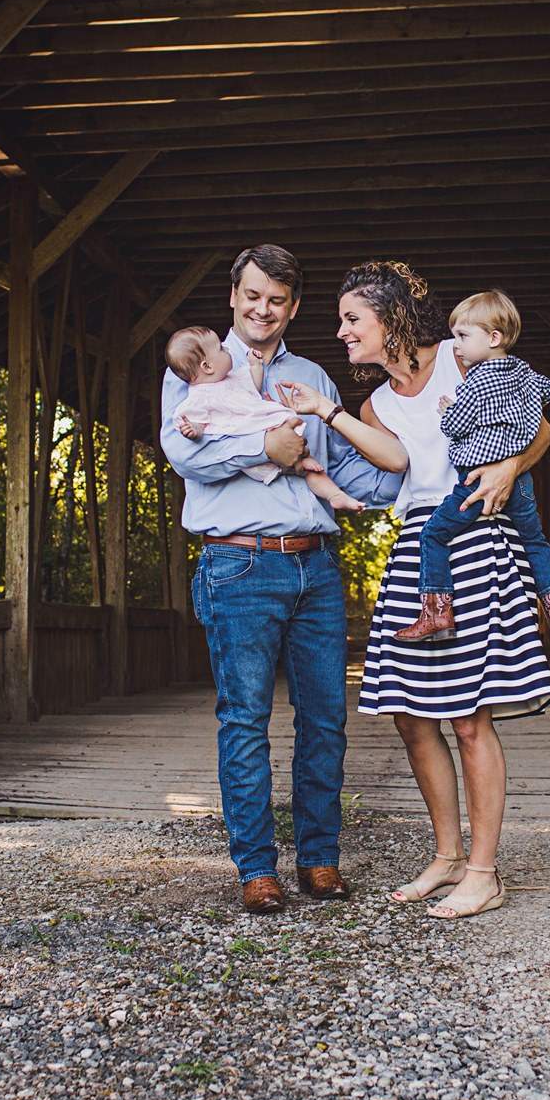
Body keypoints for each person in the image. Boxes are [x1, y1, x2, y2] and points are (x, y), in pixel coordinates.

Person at [275, 260, 550, 922]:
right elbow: (397, 462)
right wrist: (326, 413)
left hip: (476, 541)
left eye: (351, 319)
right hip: (414, 547)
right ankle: (447, 855)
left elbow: (539, 430)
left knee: (468, 716)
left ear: (392, 316)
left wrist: (508, 470)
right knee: (410, 715)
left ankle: (483, 872)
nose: (341, 332)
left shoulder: (468, 362)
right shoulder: (374, 402)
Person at [160, 245, 407, 915]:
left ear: (292, 306)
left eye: (276, 300)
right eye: (251, 296)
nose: (261, 309)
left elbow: (338, 470)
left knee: (325, 717)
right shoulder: (194, 364)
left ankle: (319, 860)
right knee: (244, 718)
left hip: (314, 563)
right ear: (233, 296)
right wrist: (259, 448)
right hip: (237, 561)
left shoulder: (313, 378)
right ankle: (256, 868)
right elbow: (184, 453)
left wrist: (415, 473)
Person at [393, 289, 550, 645]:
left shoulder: (475, 382)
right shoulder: (522, 370)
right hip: (520, 480)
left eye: (462, 336)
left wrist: (448, 409)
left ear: (493, 338)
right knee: (535, 541)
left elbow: (455, 426)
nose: (455, 345)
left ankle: (437, 612)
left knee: (432, 534)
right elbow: (548, 391)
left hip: (475, 481)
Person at [165, 324, 364, 513]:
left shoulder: (233, 378)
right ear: (207, 366)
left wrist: (254, 365)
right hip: (253, 447)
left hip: (269, 427)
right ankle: (312, 473)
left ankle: (334, 494)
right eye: (220, 349)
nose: (226, 349)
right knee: (304, 466)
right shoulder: (198, 397)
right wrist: (194, 431)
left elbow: (253, 386)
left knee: (308, 465)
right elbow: (193, 438)